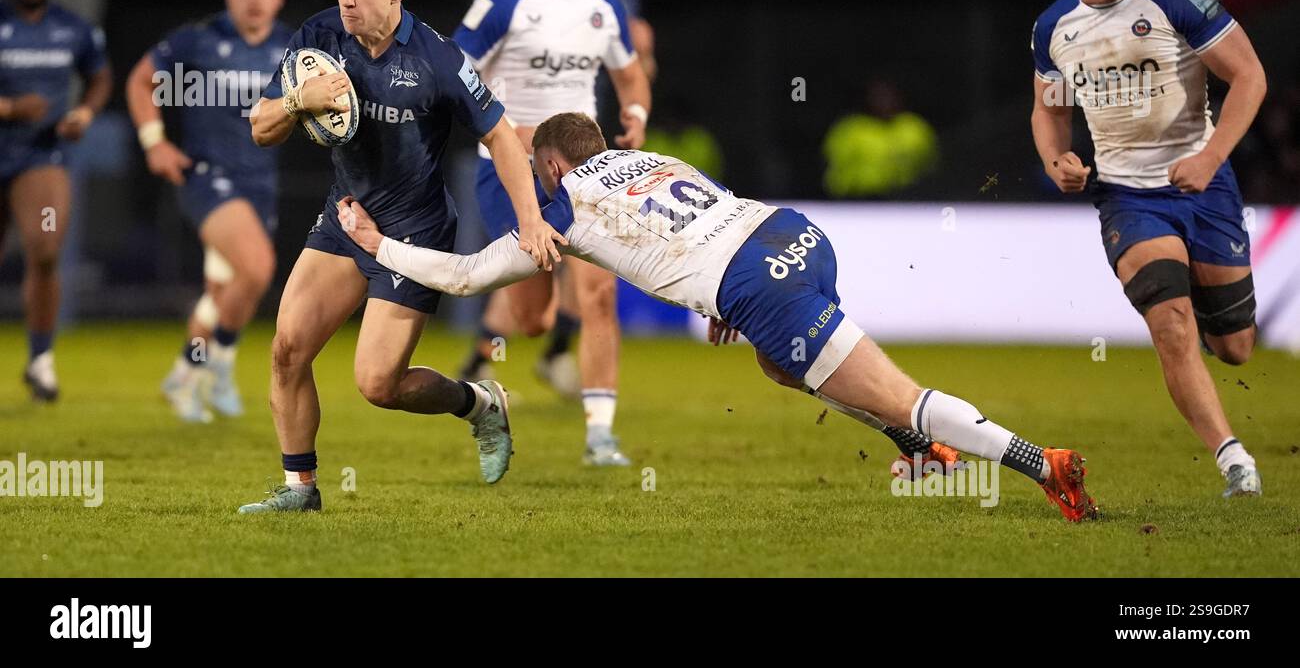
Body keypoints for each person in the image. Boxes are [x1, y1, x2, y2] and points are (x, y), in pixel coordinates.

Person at [337, 112, 1099, 522]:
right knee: (779, 364)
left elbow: (468, 277)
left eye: (534, 174)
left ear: (552, 166)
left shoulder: (564, 202)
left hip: (757, 281)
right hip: (791, 234)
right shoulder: (653, 159)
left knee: (896, 390)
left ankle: (1041, 464)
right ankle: (921, 449)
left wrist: (378, 243)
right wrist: (725, 296)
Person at [237, 0, 565, 513]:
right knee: (287, 349)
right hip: (345, 218)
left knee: (378, 386)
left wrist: (532, 220)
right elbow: (261, 127)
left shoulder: (436, 58)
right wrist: (296, 101)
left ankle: (479, 403)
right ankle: (299, 491)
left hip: (412, 229)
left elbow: (501, 136)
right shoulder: (318, 35)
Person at [1029, 0, 1268, 497]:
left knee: (1236, 347)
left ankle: (1213, 348)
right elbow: (1048, 108)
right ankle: (1233, 457)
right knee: (1169, 320)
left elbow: (1249, 76)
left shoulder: (1178, 2)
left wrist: (1210, 156)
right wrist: (1057, 158)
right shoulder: (1055, 26)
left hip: (1205, 189)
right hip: (1127, 197)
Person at [453, 0, 652, 466]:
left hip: (589, 173)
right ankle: (503, 361)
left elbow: (631, 76)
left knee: (599, 295)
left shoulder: (605, 7)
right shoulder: (501, 2)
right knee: (532, 317)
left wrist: (635, 116)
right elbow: (452, 72)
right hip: (511, 172)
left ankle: (601, 436)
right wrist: (505, 129)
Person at [126, 0, 292, 422]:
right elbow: (141, 81)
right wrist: (154, 142)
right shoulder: (199, 39)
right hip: (207, 177)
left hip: (261, 183)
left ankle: (184, 373)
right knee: (258, 269)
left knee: (220, 294)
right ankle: (221, 362)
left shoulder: (291, 48)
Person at [0, 0, 111, 402]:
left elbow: (99, 76)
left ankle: (41, 359)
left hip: (41, 155)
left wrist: (83, 113)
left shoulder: (72, 27)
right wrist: (8, 108)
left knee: (45, 248)